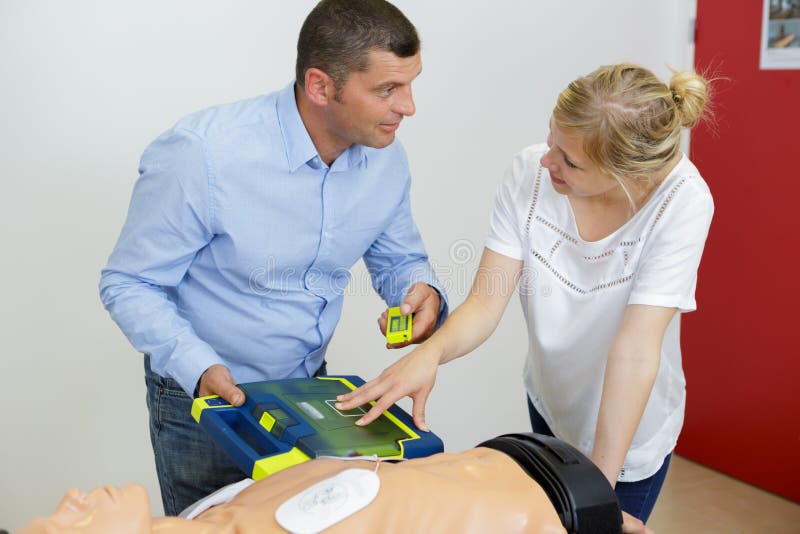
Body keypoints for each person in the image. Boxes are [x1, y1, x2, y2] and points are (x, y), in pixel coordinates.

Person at [99, 0, 448, 516]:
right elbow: (129, 283)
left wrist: (420, 290)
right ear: (320, 86)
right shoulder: (204, 153)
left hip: (313, 391)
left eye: (411, 84)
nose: (409, 107)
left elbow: (399, 256)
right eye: (387, 90)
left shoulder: (384, 156)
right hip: (205, 401)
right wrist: (199, 370)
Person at [337, 63, 715, 529]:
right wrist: (430, 354)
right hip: (551, 400)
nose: (546, 161)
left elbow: (636, 351)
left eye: (570, 161)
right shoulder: (529, 173)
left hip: (629, 428)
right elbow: (485, 302)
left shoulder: (682, 201)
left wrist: (597, 492)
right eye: (551, 140)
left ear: (626, 175)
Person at [18, 433, 644, 534]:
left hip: (527, 458)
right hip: (567, 512)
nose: (69, 500)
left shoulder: (207, 517)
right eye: (60, 526)